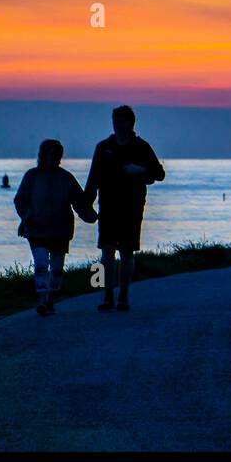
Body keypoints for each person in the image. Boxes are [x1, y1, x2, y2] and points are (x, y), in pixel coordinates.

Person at [85, 105, 166, 312]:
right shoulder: (103, 147)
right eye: (115, 121)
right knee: (107, 251)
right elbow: (93, 177)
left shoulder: (141, 147)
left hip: (132, 205)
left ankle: (124, 295)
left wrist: (139, 169)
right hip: (108, 205)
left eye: (122, 121)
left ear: (131, 123)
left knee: (127, 251)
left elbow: (159, 173)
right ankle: (107, 295)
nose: (118, 125)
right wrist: (86, 204)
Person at [14, 139, 97, 316]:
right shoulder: (31, 176)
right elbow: (20, 199)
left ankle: (50, 297)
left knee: (57, 269)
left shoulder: (66, 178)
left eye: (59, 155)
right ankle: (43, 299)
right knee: (41, 264)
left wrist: (90, 215)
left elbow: (79, 201)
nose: (56, 159)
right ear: (44, 156)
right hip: (36, 229)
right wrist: (27, 215)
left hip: (61, 229)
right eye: (53, 155)